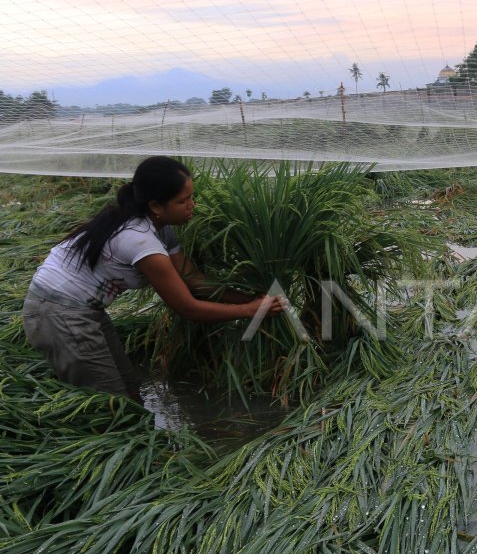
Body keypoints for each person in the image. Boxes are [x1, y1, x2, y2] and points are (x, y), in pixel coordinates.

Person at [22, 156, 285, 400]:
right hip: (56, 312)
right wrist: (250, 310)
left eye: (191, 197)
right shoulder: (139, 240)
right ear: (156, 205)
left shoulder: (160, 228)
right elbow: (188, 307)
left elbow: (191, 277)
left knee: (129, 389)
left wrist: (249, 298)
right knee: (109, 403)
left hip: (81, 309)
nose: (192, 205)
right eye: (183, 201)